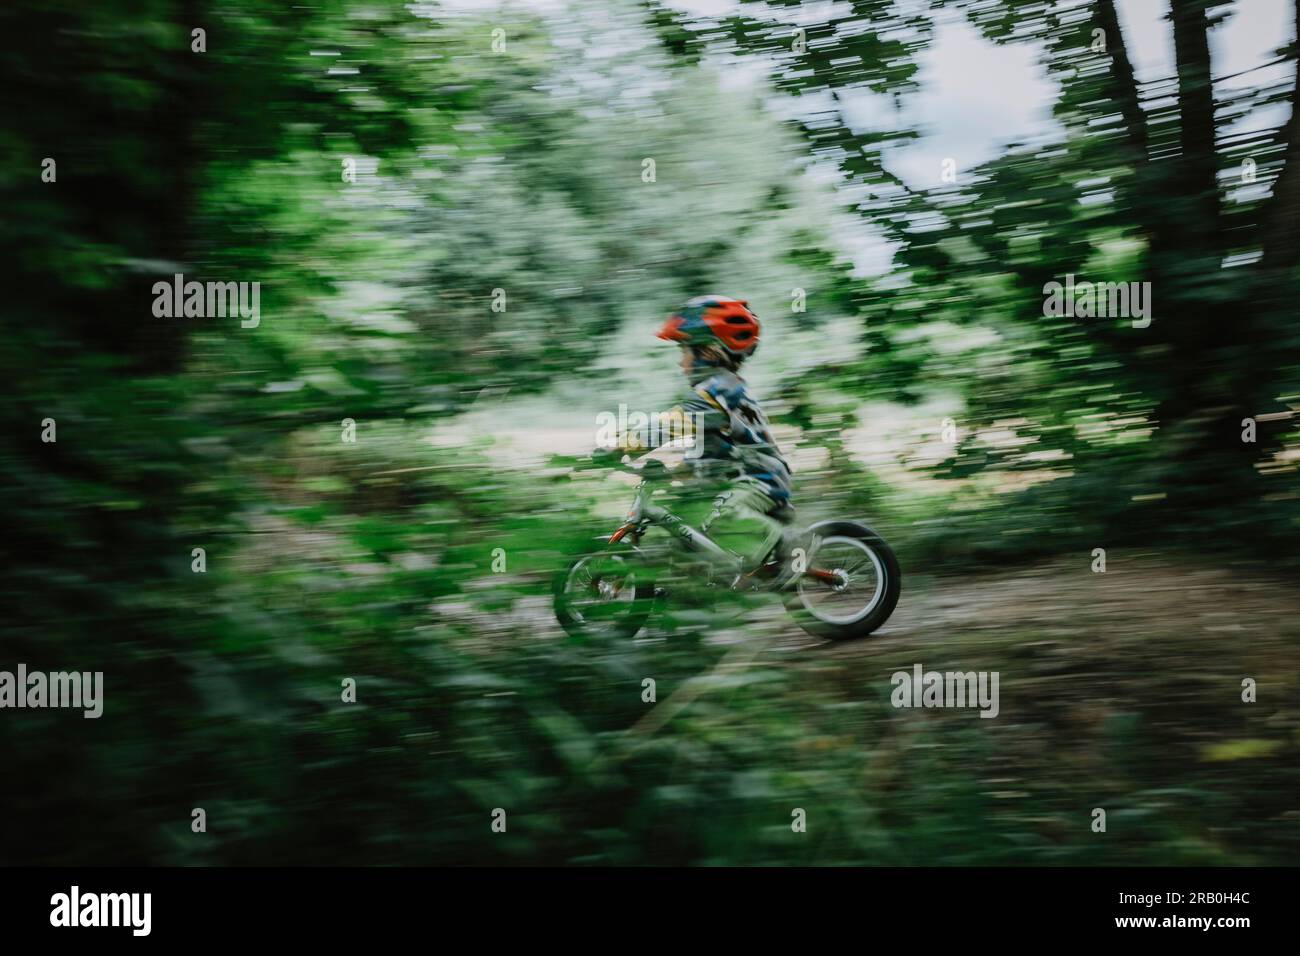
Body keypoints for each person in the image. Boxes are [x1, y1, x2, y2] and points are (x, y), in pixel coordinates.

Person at [651, 295, 794, 576]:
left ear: (709, 352)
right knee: (684, 522)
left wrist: (621, 445)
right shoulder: (710, 393)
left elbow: (670, 425)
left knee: (719, 517)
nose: (681, 363)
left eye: (685, 352)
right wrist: (669, 475)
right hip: (729, 481)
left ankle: (787, 545)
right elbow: (708, 453)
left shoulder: (722, 389)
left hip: (759, 481)